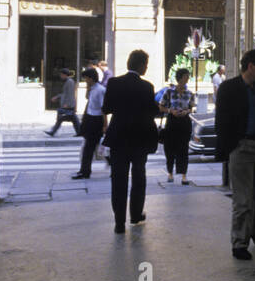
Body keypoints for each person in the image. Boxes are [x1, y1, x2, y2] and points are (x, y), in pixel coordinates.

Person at [215, 49, 255, 260]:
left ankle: (254, 230)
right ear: (251, 66)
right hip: (242, 148)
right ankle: (239, 242)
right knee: (243, 199)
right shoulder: (229, 88)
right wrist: (230, 147)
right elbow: (221, 121)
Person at [102, 49, 161, 233]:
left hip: (119, 138)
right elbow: (153, 111)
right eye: (146, 65)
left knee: (118, 180)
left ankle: (119, 222)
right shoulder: (147, 87)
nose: (146, 68)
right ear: (142, 65)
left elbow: (107, 108)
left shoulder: (114, 83)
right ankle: (135, 215)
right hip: (139, 139)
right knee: (138, 177)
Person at [161, 68, 195, 185]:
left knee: (183, 148)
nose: (187, 79)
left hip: (184, 122)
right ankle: (170, 172)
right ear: (180, 78)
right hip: (172, 121)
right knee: (169, 148)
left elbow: (191, 107)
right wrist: (170, 111)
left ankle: (184, 175)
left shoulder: (189, 93)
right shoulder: (169, 92)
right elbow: (161, 106)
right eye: (186, 76)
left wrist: (187, 111)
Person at [72, 68, 107, 179]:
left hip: (96, 120)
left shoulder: (100, 90)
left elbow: (103, 109)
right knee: (93, 146)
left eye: (86, 78)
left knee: (89, 147)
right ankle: (110, 162)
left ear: (91, 78)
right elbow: (87, 98)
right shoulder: (92, 89)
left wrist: (105, 125)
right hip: (90, 118)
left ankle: (85, 171)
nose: (85, 80)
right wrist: (88, 88)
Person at [45, 68, 81, 136]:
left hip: (68, 105)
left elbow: (70, 94)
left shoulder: (69, 82)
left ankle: (53, 131)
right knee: (73, 119)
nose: (60, 76)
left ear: (64, 75)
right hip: (68, 104)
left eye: (61, 75)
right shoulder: (68, 81)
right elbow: (65, 93)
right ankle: (79, 132)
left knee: (61, 118)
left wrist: (68, 104)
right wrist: (57, 97)